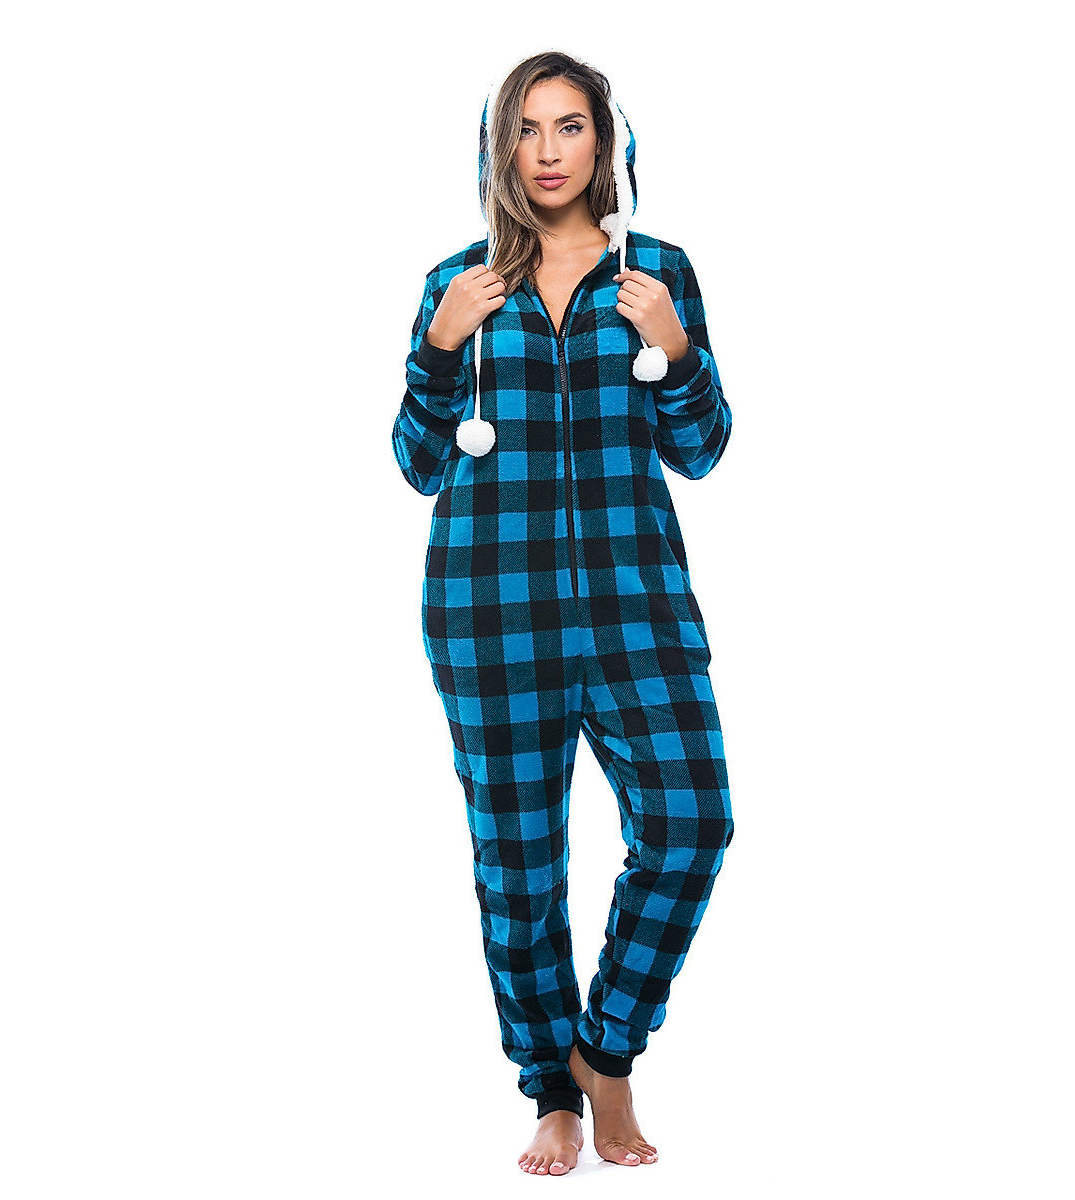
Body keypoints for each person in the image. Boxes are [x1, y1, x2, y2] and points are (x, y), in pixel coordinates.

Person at [391, 50, 735, 1176]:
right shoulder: (457, 283)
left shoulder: (658, 273)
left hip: (638, 607)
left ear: (606, 139)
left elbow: (701, 449)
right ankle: (554, 1091)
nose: (548, 152)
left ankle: (605, 1052)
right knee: (520, 868)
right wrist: (441, 345)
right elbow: (418, 462)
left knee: (691, 824)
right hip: (490, 613)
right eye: (527, 130)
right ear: (501, 146)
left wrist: (674, 347)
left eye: (570, 126)